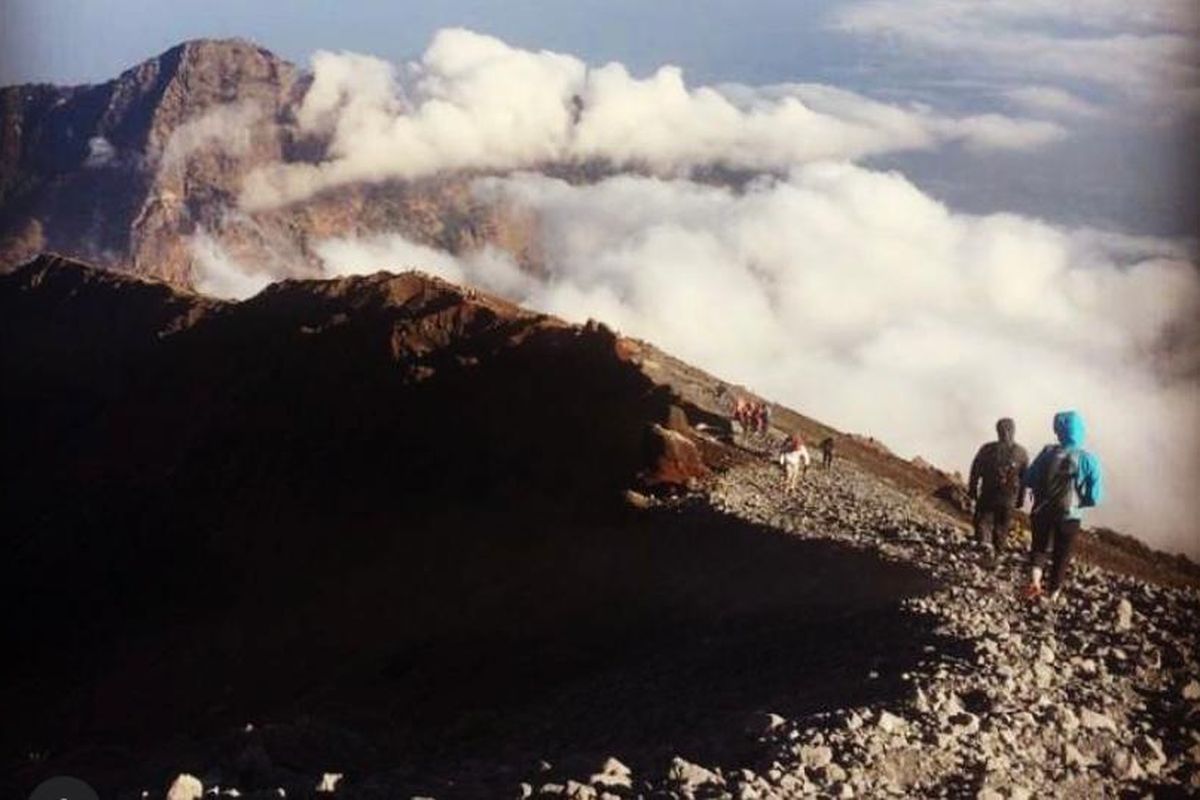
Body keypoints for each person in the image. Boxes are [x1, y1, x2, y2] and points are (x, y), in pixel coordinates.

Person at [1021, 410, 1103, 602]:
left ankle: (1035, 581)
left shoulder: (1048, 453)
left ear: (1059, 431)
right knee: (1062, 554)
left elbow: (1029, 478)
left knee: (1039, 547)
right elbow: (1094, 497)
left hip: (1042, 510)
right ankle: (1053, 594)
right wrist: (1081, 503)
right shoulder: (1089, 460)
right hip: (1070, 516)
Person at [967, 418, 1029, 558]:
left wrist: (972, 489)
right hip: (1009, 497)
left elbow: (975, 470)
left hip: (988, 494)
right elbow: (1025, 478)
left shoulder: (987, 449)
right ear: (1013, 431)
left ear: (998, 431)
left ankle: (985, 546)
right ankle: (998, 553)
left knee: (983, 520)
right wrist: (1020, 498)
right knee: (1002, 525)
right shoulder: (1021, 453)